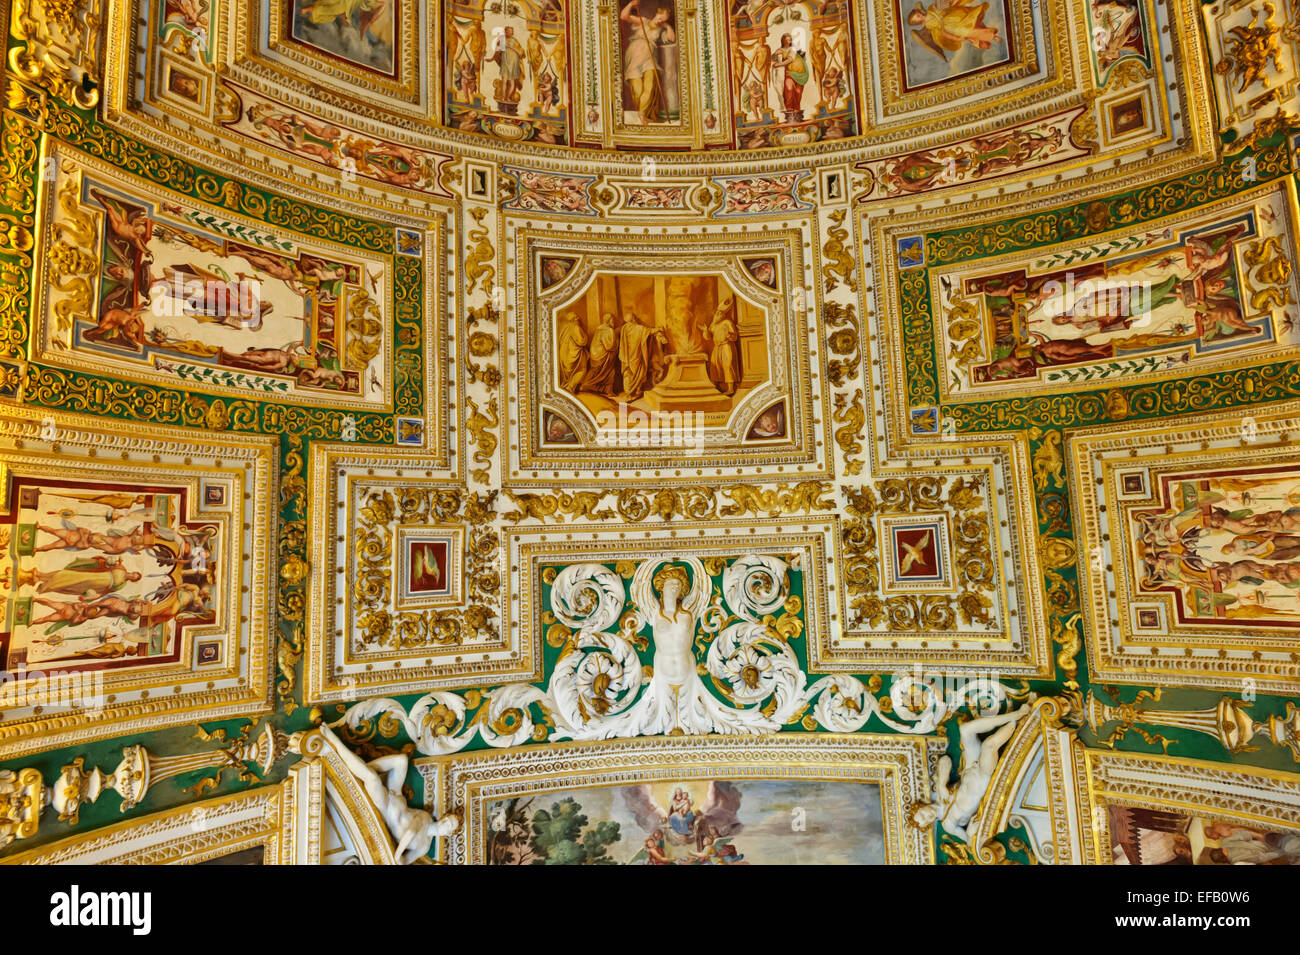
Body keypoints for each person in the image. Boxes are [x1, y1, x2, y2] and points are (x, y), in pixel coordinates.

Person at [621, 1, 674, 123]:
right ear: (656, 14)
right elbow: (623, 16)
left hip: (649, 59)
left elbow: (671, 38)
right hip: (634, 57)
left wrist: (667, 26)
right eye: (660, 18)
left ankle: (642, 114)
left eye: (663, 20)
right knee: (638, 90)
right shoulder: (643, 21)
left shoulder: (661, 29)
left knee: (649, 87)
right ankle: (643, 114)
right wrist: (631, 4)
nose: (660, 21)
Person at [707, 296, 741, 396]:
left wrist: (729, 336)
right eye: (717, 313)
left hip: (726, 346)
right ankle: (715, 386)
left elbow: (735, 336)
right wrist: (705, 331)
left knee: (728, 365)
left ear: (724, 314)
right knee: (715, 366)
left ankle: (730, 388)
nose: (718, 314)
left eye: (720, 313)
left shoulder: (727, 322)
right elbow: (708, 337)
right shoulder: (713, 325)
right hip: (717, 348)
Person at [770, 33, 809, 118]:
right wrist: (776, 53)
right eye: (787, 39)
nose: (789, 41)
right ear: (783, 41)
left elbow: (791, 59)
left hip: (801, 74)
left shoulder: (795, 48)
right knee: (789, 89)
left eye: (790, 39)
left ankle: (797, 111)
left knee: (798, 92)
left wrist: (779, 64)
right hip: (789, 73)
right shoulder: (780, 50)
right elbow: (772, 59)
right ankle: (789, 111)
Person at [581, 312, 619, 395]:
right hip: (604, 354)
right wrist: (617, 343)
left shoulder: (599, 329)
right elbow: (609, 346)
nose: (614, 321)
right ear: (609, 320)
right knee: (609, 372)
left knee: (595, 371)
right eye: (612, 320)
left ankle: (587, 385)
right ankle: (606, 390)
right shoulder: (609, 330)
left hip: (596, 353)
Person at [556, 311, 589, 392]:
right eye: (576, 317)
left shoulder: (565, 328)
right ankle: (570, 387)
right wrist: (586, 337)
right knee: (582, 370)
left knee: (570, 373)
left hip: (564, 355)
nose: (578, 319)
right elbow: (581, 342)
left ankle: (569, 386)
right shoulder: (576, 328)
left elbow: (560, 340)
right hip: (574, 355)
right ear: (573, 319)